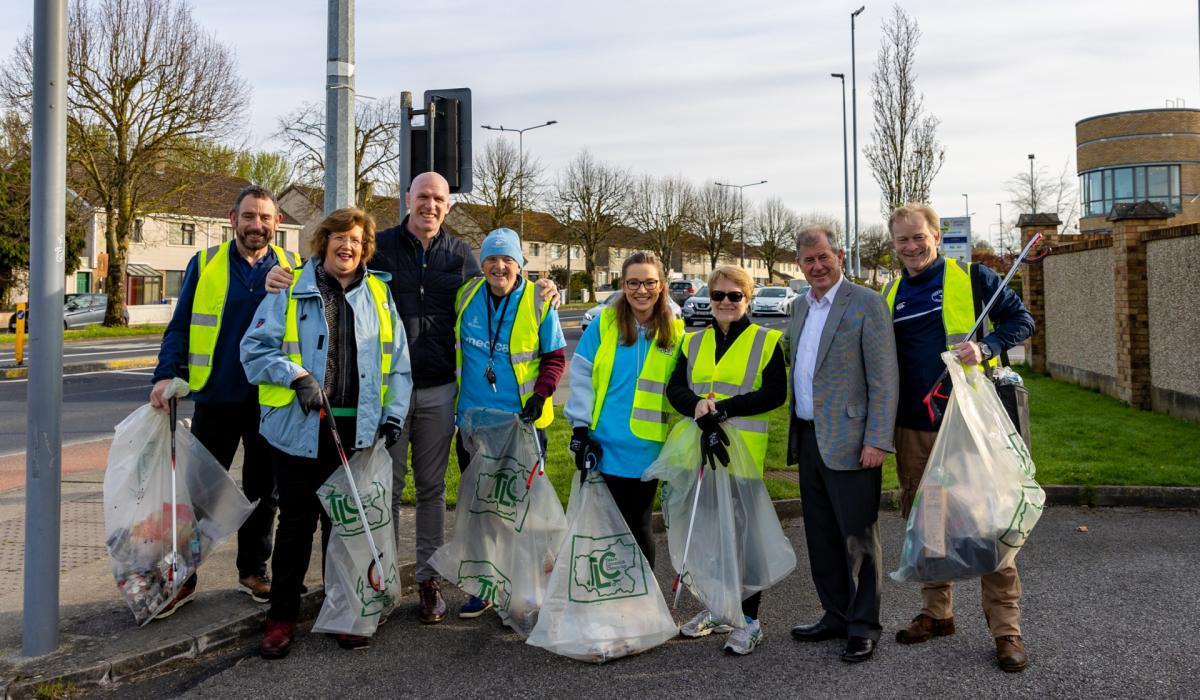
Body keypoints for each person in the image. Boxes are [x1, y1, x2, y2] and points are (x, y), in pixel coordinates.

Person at [265, 172, 558, 624]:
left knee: (432, 490)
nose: (430, 205)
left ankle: (427, 580)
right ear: (408, 198)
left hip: (440, 390)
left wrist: (544, 286)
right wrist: (283, 271)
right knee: (383, 490)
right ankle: (380, 583)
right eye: (423, 196)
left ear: (448, 205)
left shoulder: (461, 255)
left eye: (439, 198)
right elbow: (332, 266)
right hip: (385, 393)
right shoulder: (379, 245)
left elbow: (503, 285)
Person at [242, 207, 412, 659]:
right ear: (325, 241)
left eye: (356, 240)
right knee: (297, 524)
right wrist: (296, 376)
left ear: (366, 248)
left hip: (357, 430)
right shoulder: (289, 287)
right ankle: (282, 617)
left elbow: (398, 363)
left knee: (346, 527)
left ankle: (345, 613)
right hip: (298, 429)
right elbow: (254, 350)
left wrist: (393, 416)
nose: (348, 246)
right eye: (340, 237)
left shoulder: (379, 294)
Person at [884, 203, 1035, 672]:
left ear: (935, 236)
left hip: (969, 424)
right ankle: (937, 612)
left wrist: (985, 346)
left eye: (919, 236)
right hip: (914, 427)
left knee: (989, 523)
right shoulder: (889, 294)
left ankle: (1006, 630)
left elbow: (1022, 321)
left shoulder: (972, 278)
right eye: (902, 239)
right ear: (894, 245)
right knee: (929, 523)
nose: (911, 246)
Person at [148, 186, 303, 617]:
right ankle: (182, 577)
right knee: (199, 494)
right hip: (216, 398)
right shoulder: (205, 263)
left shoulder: (294, 267)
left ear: (277, 223)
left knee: (264, 492)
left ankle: (253, 570)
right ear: (232, 219)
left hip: (270, 400)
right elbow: (180, 326)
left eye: (265, 218)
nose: (257, 225)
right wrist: (165, 374)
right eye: (249, 216)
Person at [782, 225, 898, 664]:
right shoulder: (799, 306)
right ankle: (835, 614)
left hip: (853, 441)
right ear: (799, 264)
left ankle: (863, 625)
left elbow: (884, 379)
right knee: (821, 535)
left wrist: (877, 439)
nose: (817, 267)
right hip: (809, 436)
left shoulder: (866, 303)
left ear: (840, 256)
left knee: (859, 540)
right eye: (808, 260)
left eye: (823, 257)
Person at [665, 264, 787, 656]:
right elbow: (675, 388)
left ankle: (749, 620)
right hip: (701, 452)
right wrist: (698, 406)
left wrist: (725, 408)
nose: (726, 302)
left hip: (743, 456)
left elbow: (775, 393)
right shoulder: (693, 341)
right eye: (718, 295)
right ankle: (719, 608)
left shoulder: (766, 340)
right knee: (710, 538)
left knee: (744, 542)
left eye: (735, 295)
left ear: (748, 298)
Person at [451, 227, 566, 618]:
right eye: (491, 259)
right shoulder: (467, 295)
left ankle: (525, 590)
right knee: (481, 508)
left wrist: (541, 395)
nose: (499, 267)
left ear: (519, 264)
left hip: (522, 424)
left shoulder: (538, 300)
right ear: (482, 263)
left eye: (507, 259)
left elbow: (555, 358)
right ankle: (485, 586)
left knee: (523, 510)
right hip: (474, 423)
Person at [563, 251, 682, 571]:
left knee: (639, 527)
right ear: (623, 285)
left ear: (661, 285)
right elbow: (581, 376)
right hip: (603, 445)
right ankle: (607, 594)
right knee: (603, 530)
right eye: (633, 283)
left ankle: (642, 596)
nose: (641, 290)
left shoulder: (675, 331)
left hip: (647, 449)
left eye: (649, 283)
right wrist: (579, 429)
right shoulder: (604, 324)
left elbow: (682, 388)